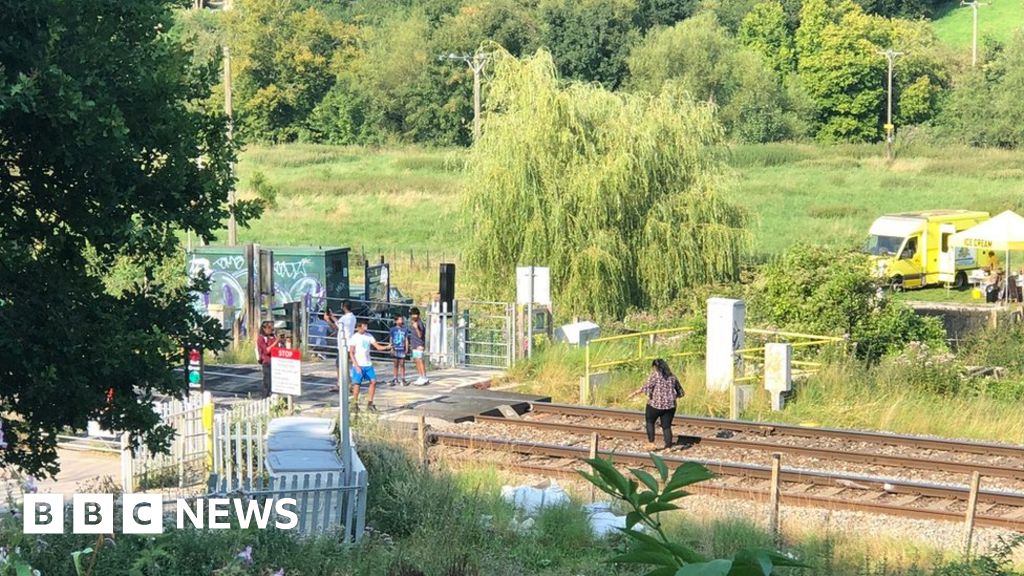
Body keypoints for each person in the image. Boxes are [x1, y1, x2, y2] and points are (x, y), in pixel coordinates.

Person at [628, 359, 683, 450]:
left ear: (656, 367)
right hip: (670, 407)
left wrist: (634, 394)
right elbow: (681, 392)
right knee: (666, 426)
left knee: (650, 422)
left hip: (655, 405)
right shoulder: (672, 376)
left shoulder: (655, 376)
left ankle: (651, 443)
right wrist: (671, 398)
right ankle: (668, 447)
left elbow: (646, 387)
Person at [349, 320, 392, 413]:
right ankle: (354, 404)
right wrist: (356, 365)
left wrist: (387, 347)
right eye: (364, 325)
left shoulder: (369, 336)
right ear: (359, 327)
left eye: (366, 325)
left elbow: (377, 347)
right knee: (357, 384)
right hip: (358, 364)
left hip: (368, 364)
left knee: (373, 381)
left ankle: (370, 404)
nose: (366, 327)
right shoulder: (354, 337)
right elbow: (351, 353)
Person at [256, 320, 280, 399]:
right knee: (267, 381)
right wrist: (275, 342)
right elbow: (266, 350)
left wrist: (280, 341)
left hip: (275, 361)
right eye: (269, 327)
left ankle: (272, 397)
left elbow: (278, 347)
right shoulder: (261, 338)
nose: (271, 329)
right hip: (267, 361)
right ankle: (264, 397)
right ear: (264, 328)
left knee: (275, 381)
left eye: (272, 328)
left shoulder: (273, 337)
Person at [408, 307, 429, 386]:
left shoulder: (419, 323)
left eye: (413, 314)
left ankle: (424, 377)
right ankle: (420, 376)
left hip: (419, 345)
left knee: (420, 361)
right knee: (416, 361)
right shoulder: (413, 322)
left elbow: (420, 335)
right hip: (414, 344)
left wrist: (416, 328)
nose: (412, 316)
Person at [389, 315, 410, 386]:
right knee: (395, 364)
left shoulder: (405, 329)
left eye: (402, 319)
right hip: (395, 348)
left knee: (402, 364)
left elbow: (406, 339)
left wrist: (407, 348)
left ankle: (403, 378)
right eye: (399, 319)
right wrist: (391, 347)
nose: (401, 321)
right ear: (396, 321)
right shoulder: (392, 329)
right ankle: (395, 378)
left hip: (402, 349)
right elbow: (391, 339)